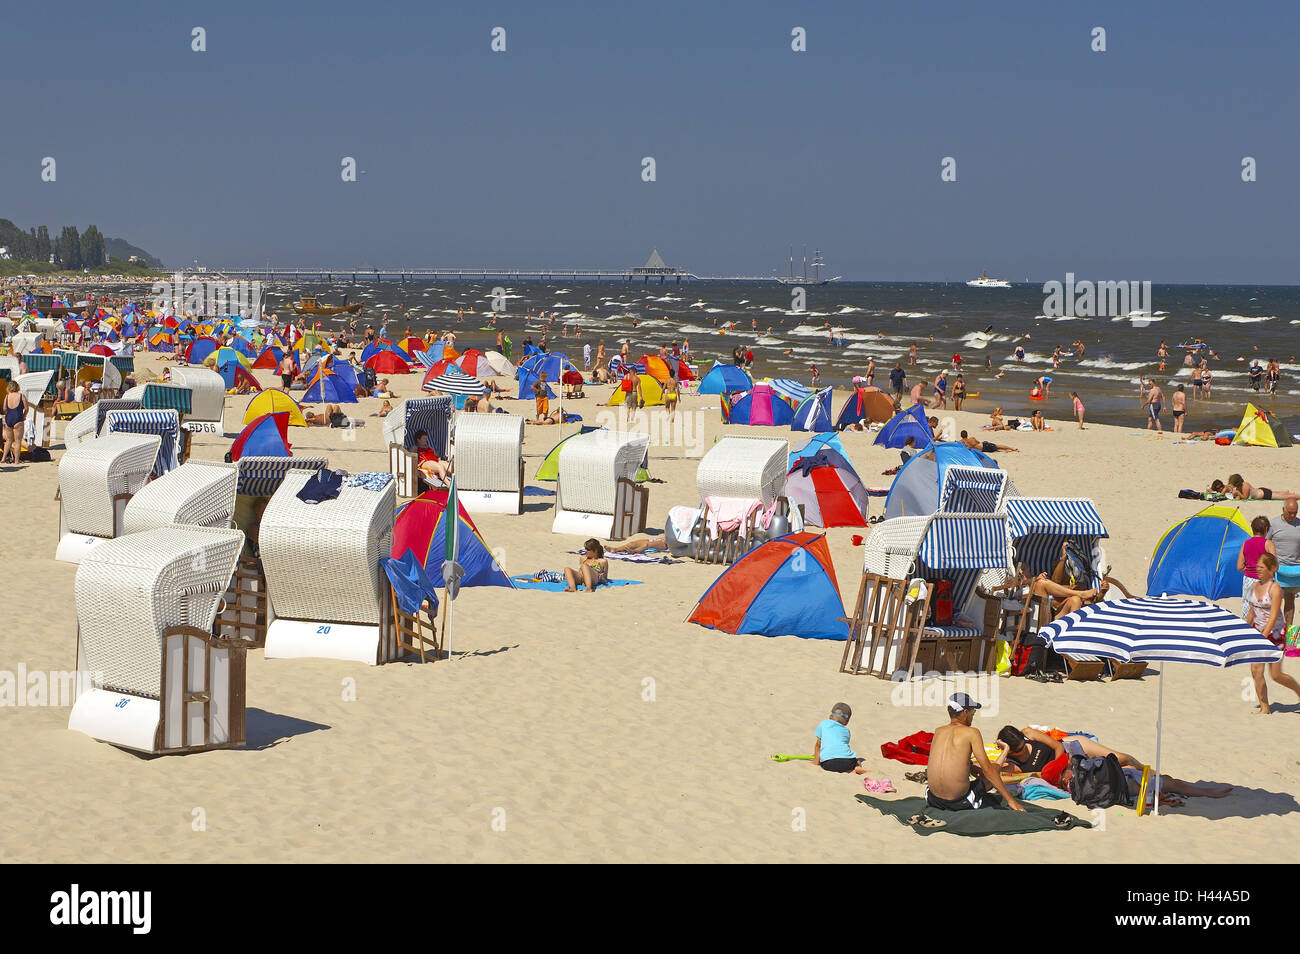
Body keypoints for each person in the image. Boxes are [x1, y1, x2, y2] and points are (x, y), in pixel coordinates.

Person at [925, 694, 1024, 811]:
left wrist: (972, 767)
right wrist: (1010, 800)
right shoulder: (972, 732)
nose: (973, 715)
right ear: (965, 712)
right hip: (957, 802)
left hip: (931, 798)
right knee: (994, 769)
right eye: (973, 711)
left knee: (980, 770)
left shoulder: (939, 731)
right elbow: (989, 770)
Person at [1245, 553, 1300, 714]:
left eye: (1262, 567)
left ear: (1271, 570)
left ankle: (1299, 691)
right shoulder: (1253, 587)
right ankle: (1265, 708)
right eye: (1258, 567)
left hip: (1275, 635)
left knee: (1276, 675)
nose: (1258, 570)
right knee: (1255, 671)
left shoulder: (1275, 589)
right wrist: (1244, 631)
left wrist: (1264, 636)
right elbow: (1251, 613)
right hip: (1258, 632)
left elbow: (1274, 615)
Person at [1268, 497, 1300, 629]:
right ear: (1283, 510)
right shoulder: (1273, 524)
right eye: (1289, 512)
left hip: (1295, 570)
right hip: (1277, 570)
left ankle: (1288, 631)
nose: (1292, 516)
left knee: (1290, 599)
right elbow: (1266, 543)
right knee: (1272, 602)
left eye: (1295, 513)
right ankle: (1273, 631)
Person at [813, 703, 869, 775]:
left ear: (830, 716)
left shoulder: (824, 723)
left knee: (834, 764)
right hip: (848, 762)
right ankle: (856, 767)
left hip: (828, 764)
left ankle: (850, 771)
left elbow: (818, 745)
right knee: (856, 760)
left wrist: (815, 761)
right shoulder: (847, 731)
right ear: (846, 722)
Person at [2, 381, 29, 465]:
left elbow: (4, 409)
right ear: (17, 387)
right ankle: (16, 461)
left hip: (9, 418)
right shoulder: (21, 396)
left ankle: (3, 458)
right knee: (18, 441)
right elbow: (26, 408)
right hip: (18, 418)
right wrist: (24, 416)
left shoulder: (7, 396)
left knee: (8, 441)